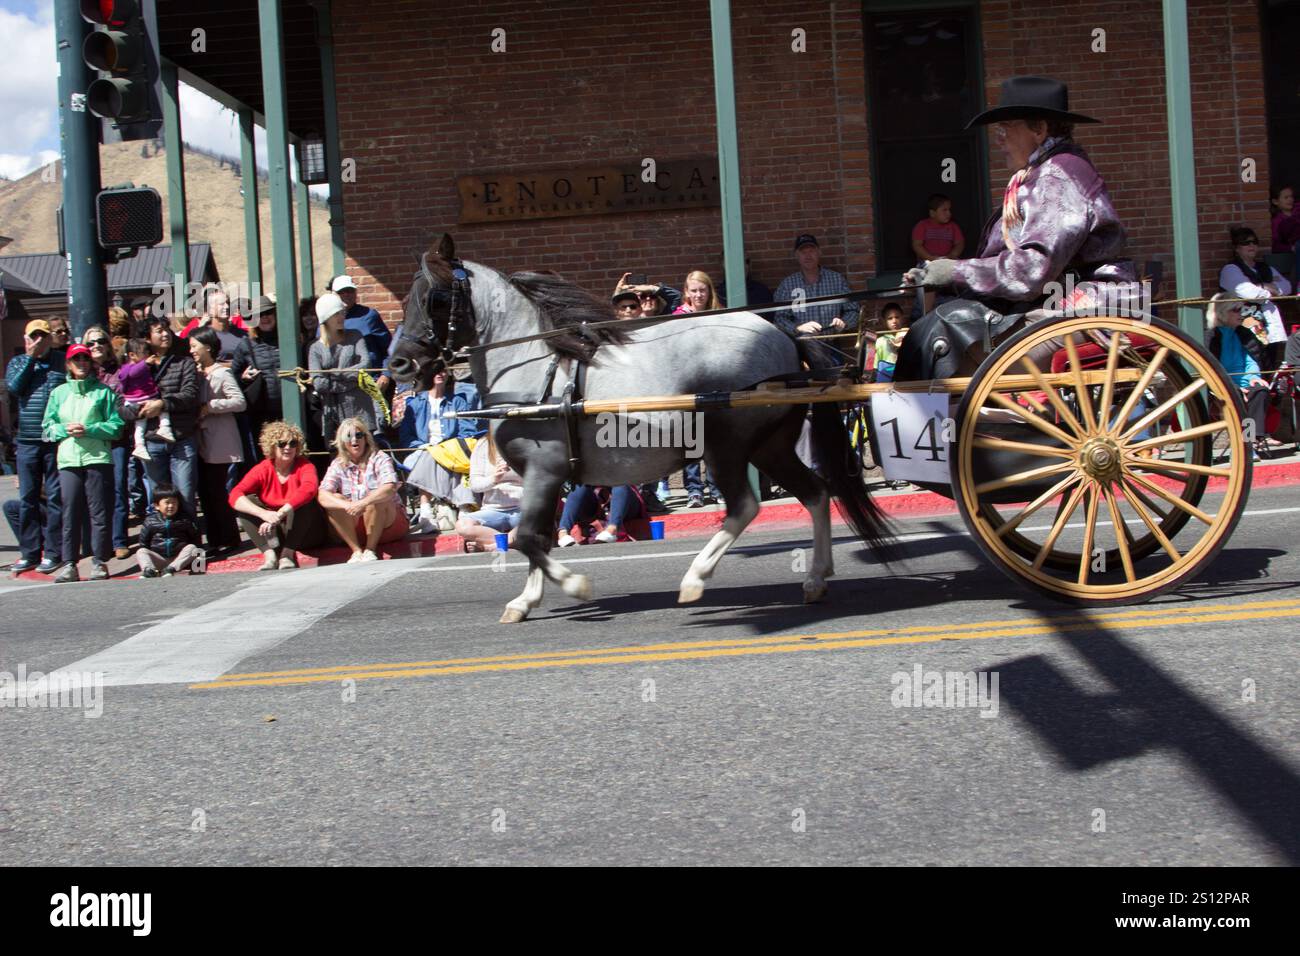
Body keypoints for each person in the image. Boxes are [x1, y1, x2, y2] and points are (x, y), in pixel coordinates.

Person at [900, 76, 1139, 380]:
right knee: (936, 330)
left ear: (1038, 129)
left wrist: (954, 271)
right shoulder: (1042, 173)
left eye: (1006, 127)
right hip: (1055, 303)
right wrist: (942, 276)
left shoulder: (1058, 175)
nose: (998, 138)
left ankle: (948, 423)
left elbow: (1032, 271)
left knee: (941, 342)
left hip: (1082, 308)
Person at [42, 344, 123, 582]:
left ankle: (99, 562)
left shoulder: (104, 392)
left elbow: (116, 427)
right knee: (70, 512)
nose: (81, 363)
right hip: (68, 459)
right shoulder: (59, 393)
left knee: (99, 512)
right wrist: (64, 429)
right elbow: (48, 427)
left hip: (97, 457)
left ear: (91, 363)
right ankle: (69, 563)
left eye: (85, 359)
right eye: (76, 359)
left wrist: (90, 429)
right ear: (68, 364)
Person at [5, 318, 67, 574]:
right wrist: (31, 358)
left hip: (53, 439)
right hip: (28, 440)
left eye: (43, 335)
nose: (39, 340)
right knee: (28, 498)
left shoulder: (60, 361)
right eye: (34, 336)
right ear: (27, 339)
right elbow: (14, 388)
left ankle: (54, 552)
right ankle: (29, 552)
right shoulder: (18, 362)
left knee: (54, 497)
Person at [229, 421, 327, 570]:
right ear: (272, 446)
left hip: (305, 531)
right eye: (282, 444)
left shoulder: (305, 466)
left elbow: (309, 489)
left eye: (292, 443)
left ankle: (287, 554)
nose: (288, 447)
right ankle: (269, 555)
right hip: (275, 530)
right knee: (246, 502)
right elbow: (235, 494)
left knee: (305, 503)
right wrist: (264, 514)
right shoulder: (263, 468)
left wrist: (279, 514)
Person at [397, 367, 484, 534]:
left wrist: (448, 447)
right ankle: (464, 507)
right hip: (422, 450)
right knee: (431, 455)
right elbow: (407, 437)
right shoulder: (415, 405)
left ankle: (426, 512)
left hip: (451, 450)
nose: (439, 373)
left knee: (445, 457)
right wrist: (422, 446)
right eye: (435, 370)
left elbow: (467, 431)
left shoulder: (457, 402)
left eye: (443, 370)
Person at [317, 418, 408, 562]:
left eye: (359, 435)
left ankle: (370, 549)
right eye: (349, 436)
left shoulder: (380, 458)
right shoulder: (337, 464)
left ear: (366, 438)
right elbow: (322, 495)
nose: (354, 440)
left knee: (376, 497)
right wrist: (348, 505)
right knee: (336, 501)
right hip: (359, 526)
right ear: (342, 442)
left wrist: (363, 502)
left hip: (389, 524)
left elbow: (390, 487)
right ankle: (356, 551)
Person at [136, 316, 200, 517]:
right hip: (152, 439)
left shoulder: (185, 363)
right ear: (147, 338)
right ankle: (164, 542)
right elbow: (126, 401)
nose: (165, 334)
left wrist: (163, 404)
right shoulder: (138, 367)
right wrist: (141, 410)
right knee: (159, 498)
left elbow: (190, 395)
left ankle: (190, 541)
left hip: (181, 437)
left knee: (185, 493)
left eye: (166, 329)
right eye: (158, 331)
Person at [189, 326, 245, 553]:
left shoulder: (222, 373)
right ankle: (214, 539)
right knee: (206, 492)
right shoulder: (198, 372)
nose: (191, 350)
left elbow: (239, 402)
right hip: (202, 439)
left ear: (208, 347)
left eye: (194, 346)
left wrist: (211, 406)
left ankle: (229, 537)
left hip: (219, 440)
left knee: (217, 491)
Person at [83, 325, 133, 560]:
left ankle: (119, 540)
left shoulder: (120, 371)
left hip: (117, 438)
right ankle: (96, 541)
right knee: (93, 492)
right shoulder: (82, 372)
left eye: (100, 341)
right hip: (90, 440)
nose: (96, 346)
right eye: (91, 343)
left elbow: (126, 403)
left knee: (118, 487)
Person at [772, 233, 856, 369]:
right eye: (803, 252)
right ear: (796, 256)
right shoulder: (787, 285)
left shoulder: (836, 280)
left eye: (811, 251)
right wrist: (798, 328)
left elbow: (853, 310)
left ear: (819, 252)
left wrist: (844, 323)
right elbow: (779, 319)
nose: (808, 255)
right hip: (800, 352)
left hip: (831, 346)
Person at [1207, 293, 1272, 461]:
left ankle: (1247, 443)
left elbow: (1251, 360)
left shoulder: (1244, 334)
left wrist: (1254, 377)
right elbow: (1212, 368)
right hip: (1221, 385)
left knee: (1259, 390)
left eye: (1242, 309)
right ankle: (1244, 445)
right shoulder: (1212, 336)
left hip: (1244, 382)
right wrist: (1232, 386)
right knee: (1236, 396)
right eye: (1236, 310)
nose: (1241, 314)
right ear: (1222, 312)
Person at [1219, 226, 1292, 370]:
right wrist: (1269, 288)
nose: (1251, 245)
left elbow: (1286, 286)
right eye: (1246, 243)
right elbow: (1249, 293)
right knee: (1251, 364)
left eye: (1254, 242)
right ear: (1237, 248)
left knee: (1269, 364)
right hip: (1243, 325)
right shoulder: (1231, 269)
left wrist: (1263, 287)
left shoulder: (1265, 268)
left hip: (1270, 325)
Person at [310, 292, 376, 442]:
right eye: (336, 314)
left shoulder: (355, 336)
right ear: (325, 318)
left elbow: (366, 366)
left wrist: (335, 373)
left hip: (361, 410)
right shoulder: (315, 349)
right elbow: (319, 383)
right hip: (333, 413)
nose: (341, 317)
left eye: (342, 313)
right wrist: (350, 383)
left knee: (366, 455)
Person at [231, 295, 284, 448]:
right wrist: (244, 378)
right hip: (262, 411)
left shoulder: (290, 339)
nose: (264, 318)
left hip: (291, 407)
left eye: (267, 313)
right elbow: (234, 376)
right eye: (259, 315)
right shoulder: (246, 345)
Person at [455, 434, 522, 553]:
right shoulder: (484, 444)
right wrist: (494, 478)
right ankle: (511, 542)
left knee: (538, 521)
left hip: (524, 508)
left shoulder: (528, 441)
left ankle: (490, 546)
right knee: (463, 525)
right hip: (494, 510)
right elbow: (475, 485)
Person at [118, 337, 175, 460]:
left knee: (146, 420)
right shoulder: (127, 368)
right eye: (144, 353)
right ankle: (160, 430)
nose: (147, 356)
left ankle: (146, 441)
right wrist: (146, 363)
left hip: (144, 397)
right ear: (132, 355)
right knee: (155, 412)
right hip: (138, 399)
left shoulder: (142, 366)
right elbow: (134, 373)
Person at [911, 194, 966, 314]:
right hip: (928, 261)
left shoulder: (952, 227)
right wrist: (931, 258)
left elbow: (959, 244)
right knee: (928, 279)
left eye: (949, 210)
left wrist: (951, 256)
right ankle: (926, 312)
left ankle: (963, 306)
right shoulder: (923, 225)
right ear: (932, 213)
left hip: (947, 260)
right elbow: (917, 245)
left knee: (962, 272)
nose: (948, 213)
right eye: (944, 210)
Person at [329, 275, 393, 374]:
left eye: (350, 290)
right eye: (341, 292)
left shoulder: (369, 316)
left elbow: (389, 349)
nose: (346, 294)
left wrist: (385, 375)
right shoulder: (326, 319)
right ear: (333, 294)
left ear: (355, 293)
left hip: (370, 381)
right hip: (339, 383)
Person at [136, 484, 204, 577]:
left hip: (180, 559)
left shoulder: (184, 519)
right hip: (159, 559)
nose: (171, 506)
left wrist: (199, 562)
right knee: (141, 551)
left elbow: (195, 538)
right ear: (157, 506)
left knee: (192, 547)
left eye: (174, 502)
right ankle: (149, 571)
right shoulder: (150, 521)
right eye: (167, 503)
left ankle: (171, 569)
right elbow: (143, 543)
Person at [556, 485, 645, 548]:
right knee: (579, 487)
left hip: (625, 500)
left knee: (620, 483)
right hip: (596, 502)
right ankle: (563, 532)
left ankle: (612, 530)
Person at [873, 303, 908, 383]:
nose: (894, 321)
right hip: (886, 379)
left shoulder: (910, 337)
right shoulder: (880, 341)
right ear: (884, 321)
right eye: (890, 318)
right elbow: (876, 367)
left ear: (902, 318)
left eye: (897, 317)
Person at [1271, 185, 1299, 255]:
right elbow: (1275, 245)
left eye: (1291, 196)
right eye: (1286, 197)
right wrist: (1291, 248)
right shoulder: (1277, 221)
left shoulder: (1298, 209)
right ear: (1275, 202)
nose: (1290, 199)